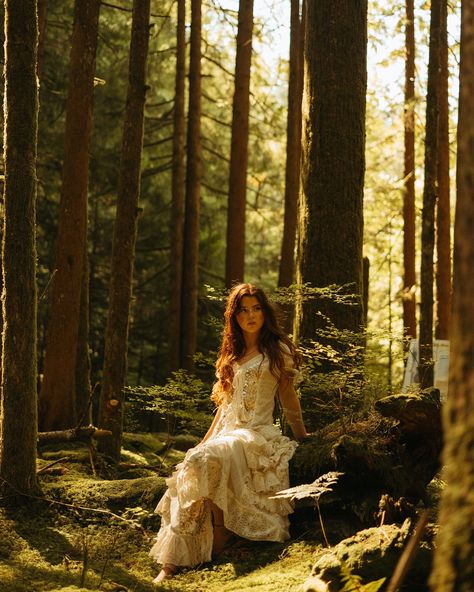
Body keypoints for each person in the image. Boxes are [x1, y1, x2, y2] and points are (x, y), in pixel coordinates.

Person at [150, 283, 310, 583]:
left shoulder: (278, 349)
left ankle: (221, 534)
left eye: (256, 308)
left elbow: (288, 397)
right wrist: (203, 442)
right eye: (243, 310)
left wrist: (302, 435)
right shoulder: (232, 354)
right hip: (227, 432)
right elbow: (224, 407)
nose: (250, 316)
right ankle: (171, 565)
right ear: (234, 317)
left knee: (213, 455)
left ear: (265, 311)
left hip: (256, 433)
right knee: (195, 461)